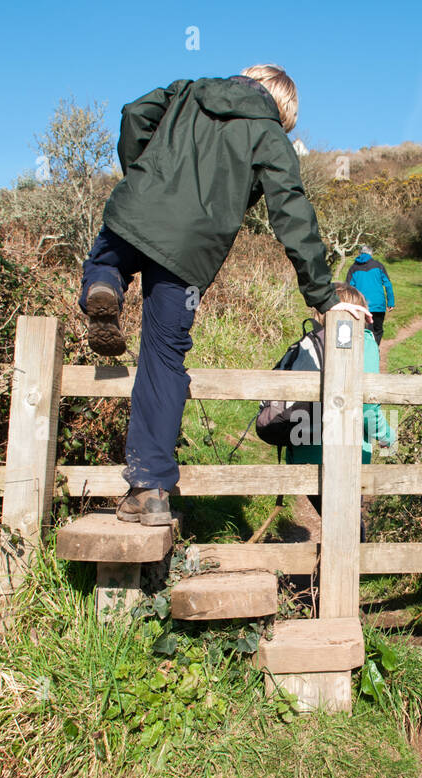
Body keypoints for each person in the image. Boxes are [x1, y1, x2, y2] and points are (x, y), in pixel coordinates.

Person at [77, 65, 343, 525]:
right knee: (163, 358)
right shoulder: (269, 135)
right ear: (283, 110)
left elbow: (133, 114)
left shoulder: (188, 90)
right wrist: (321, 294)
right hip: (189, 254)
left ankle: (107, 283)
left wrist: (143, 177)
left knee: (107, 259)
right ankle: (150, 488)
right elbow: (292, 213)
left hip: (137, 213)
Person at [286, 283, 394, 541]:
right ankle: (350, 577)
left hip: (303, 450)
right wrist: (388, 437)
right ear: (360, 310)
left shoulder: (309, 341)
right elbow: (367, 407)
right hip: (346, 452)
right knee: (349, 529)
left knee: (338, 522)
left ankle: (327, 576)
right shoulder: (363, 341)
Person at [345, 245, 395, 342]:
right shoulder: (378, 265)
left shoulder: (353, 268)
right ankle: (375, 350)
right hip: (378, 305)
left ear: (360, 253)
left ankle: (366, 351)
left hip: (361, 305)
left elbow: (348, 288)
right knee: (378, 330)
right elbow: (388, 284)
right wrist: (391, 302)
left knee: (363, 331)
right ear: (371, 253)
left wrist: (348, 305)